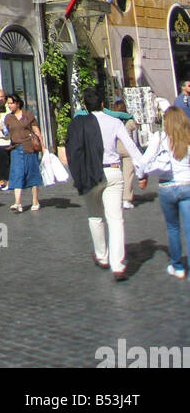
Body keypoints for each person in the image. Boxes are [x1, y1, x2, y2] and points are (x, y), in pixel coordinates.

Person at [66, 88, 147, 280]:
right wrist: (142, 173)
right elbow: (132, 147)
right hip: (112, 171)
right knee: (116, 219)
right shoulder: (114, 122)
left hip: (89, 173)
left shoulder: (80, 124)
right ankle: (117, 265)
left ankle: (102, 256)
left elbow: (73, 150)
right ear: (103, 104)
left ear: (85, 106)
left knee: (95, 216)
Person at [144, 107, 190, 279]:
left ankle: (177, 265)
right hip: (187, 185)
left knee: (173, 228)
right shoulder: (188, 139)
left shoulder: (160, 138)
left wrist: (142, 175)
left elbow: (145, 160)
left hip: (167, 186)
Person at [5, 93, 45, 212]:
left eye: (11, 103)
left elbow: (36, 131)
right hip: (16, 148)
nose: (10, 105)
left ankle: (35, 201)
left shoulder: (28, 115)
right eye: (8, 103)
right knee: (17, 173)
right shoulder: (8, 118)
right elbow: (6, 131)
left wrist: (43, 147)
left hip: (29, 148)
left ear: (18, 103)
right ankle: (17, 202)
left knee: (32, 173)